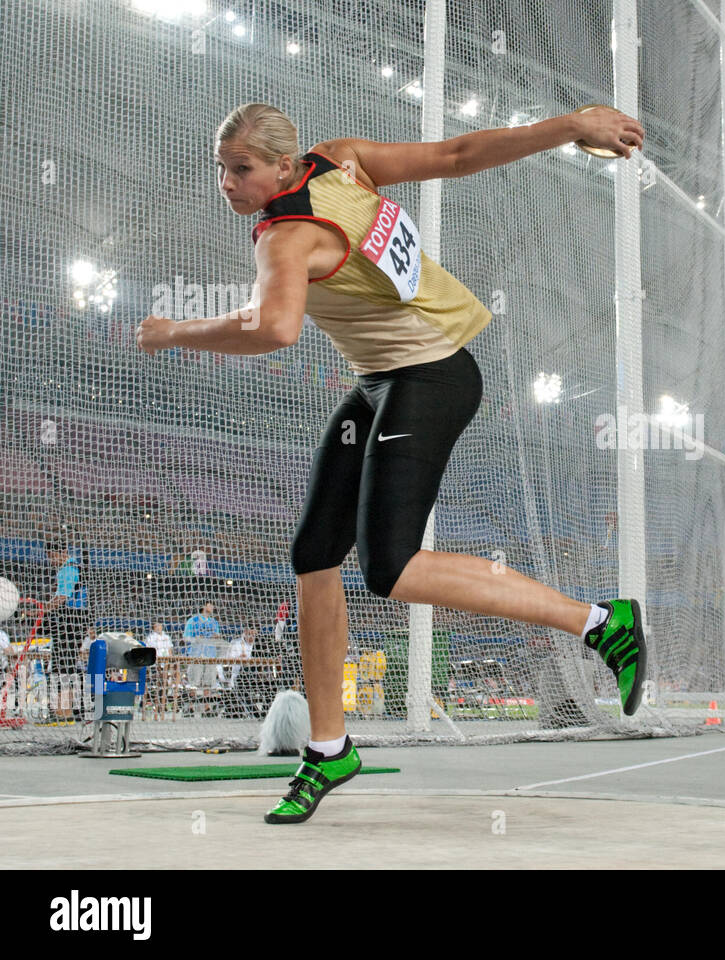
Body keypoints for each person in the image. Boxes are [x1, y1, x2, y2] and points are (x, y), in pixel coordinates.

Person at [134, 102, 651, 824]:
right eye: (221, 167)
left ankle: (602, 622)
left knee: (392, 568)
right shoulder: (340, 159)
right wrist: (567, 128)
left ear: (284, 167)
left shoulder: (284, 239)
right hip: (384, 378)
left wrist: (175, 332)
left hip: (430, 378)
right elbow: (454, 156)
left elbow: (276, 328)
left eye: (241, 168)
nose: (226, 182)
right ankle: (328, 748)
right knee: (315, 552)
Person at [46, 544, 90, 723]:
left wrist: (43, 609)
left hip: (70, 619)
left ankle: (63, 711)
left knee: (62, 663)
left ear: (62, 553)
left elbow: (62, 596)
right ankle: (65, 710)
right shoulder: (76, 568)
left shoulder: (69, 570)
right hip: (76, 620)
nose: (51, 561)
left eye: (52, 556)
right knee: (67, 663)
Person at [182, 602, 222, 690]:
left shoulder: (214, 622)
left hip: (210, 655)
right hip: (196, 654)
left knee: (209, 685)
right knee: (194, 684)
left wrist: (216, 637)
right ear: (204, 606)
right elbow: (185, 638)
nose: (212, 607)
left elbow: (217, 638)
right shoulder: (193, 620)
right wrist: (196, 639)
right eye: (210, 605)